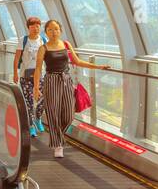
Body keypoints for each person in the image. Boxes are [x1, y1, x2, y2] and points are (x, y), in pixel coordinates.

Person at [34, 19, 112, 159]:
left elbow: (77, 61)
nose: (54, 32)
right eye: (50, 30)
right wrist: (35, 87)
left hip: (66, 80)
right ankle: (58, 145)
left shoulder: (66, 44)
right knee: (53, 113)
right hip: (51, 81)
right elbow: (38, 68)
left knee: (69, 114)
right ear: (46, 32)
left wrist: (98, 67)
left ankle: (58, 135)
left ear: (60, 31)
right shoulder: (43, 48)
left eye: (56, 29)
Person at [14, 16, 45, 137]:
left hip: (40, 75)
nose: (35, 28)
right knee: (29, 101)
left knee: (42, 100)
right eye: (33, 26)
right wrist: (15, 72)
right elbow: (17, 57)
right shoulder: (23, 40)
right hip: (25, 75)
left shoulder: (42, 40)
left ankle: (38, 118)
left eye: (38, 26)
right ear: (28, 28)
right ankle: (31, 125)